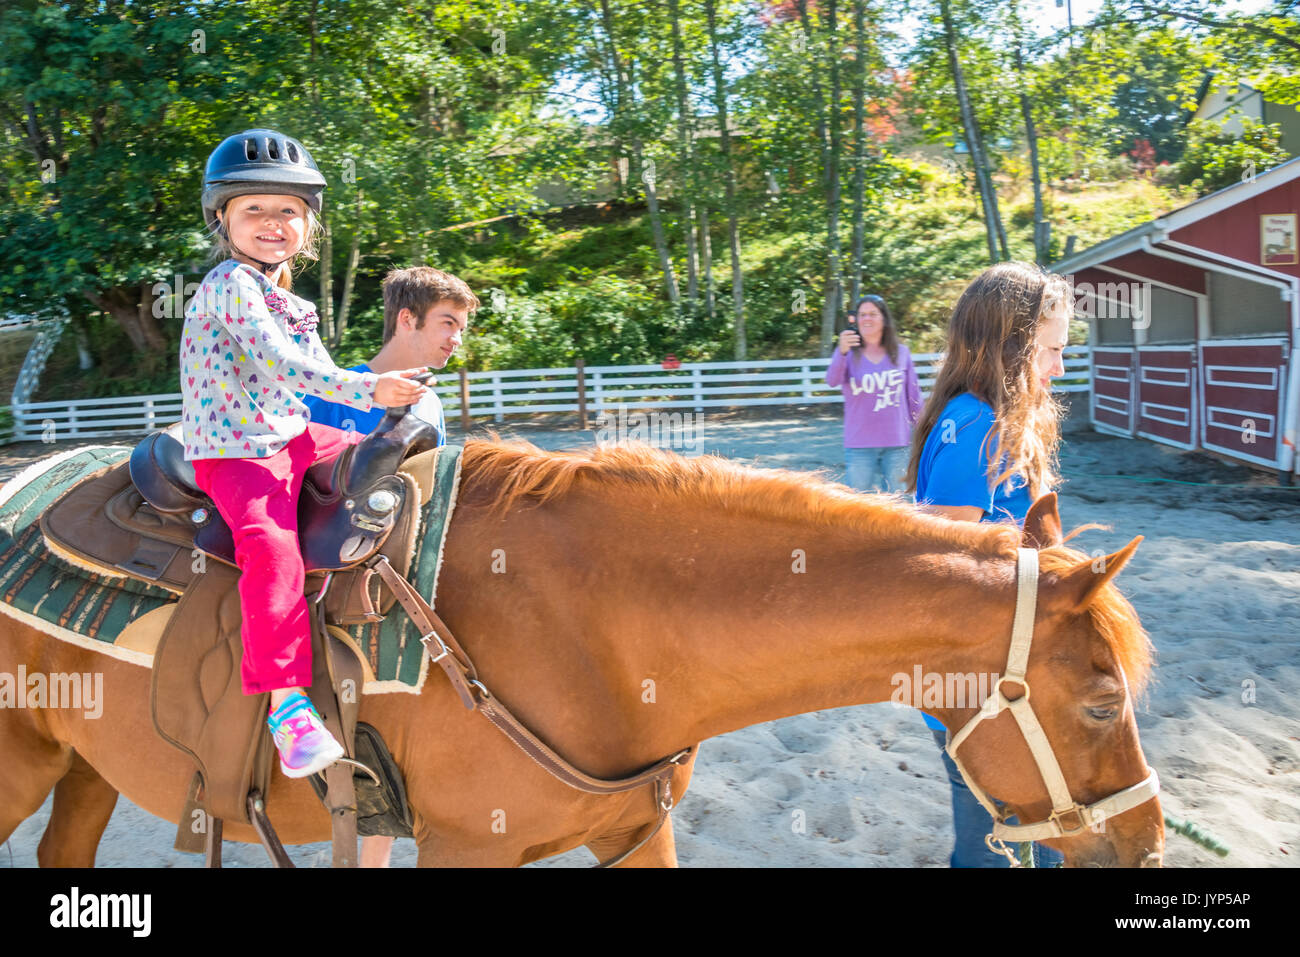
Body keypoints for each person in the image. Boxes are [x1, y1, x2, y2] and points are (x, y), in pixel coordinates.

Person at [181, 128, 430, 780]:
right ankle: (285, 705)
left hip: (290, 429)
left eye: (287, 209)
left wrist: (379, 413)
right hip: (238, 446)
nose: (272, 222)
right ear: (223, 218)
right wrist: (368, 385)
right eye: (254, 209)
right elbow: (281, 364)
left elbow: (317, 381)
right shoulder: (230, 284)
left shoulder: (289, 299)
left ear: (308, 223)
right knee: (270, 545)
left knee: (379, 459)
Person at [298, 265, 478, 867]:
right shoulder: (334, 388)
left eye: (461, 325)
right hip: (334, 560)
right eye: (448, 323)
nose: (458, 338)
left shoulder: (426, 398)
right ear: (407, 320)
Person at [905, 260, 1071, 868]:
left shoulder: (984, 419)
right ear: (1012, 346)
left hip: (1002, 674)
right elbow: (946, 564)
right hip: (982, 684)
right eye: (1051, 350)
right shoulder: (977, 424)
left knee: (1033, 837)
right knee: (999, 847)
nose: (1058, 365)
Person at [825, 295, 922, 493]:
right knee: (858, 506)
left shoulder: (901, 353)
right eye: (862, 315)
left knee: (900, 504)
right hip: (860, 444)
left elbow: (913, 397)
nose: (866, 319)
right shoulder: (849, 354)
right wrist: (841, 352)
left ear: (884, 319)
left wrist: (925, 429)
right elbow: (832, 380)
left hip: (898, 442)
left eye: (872, 314)